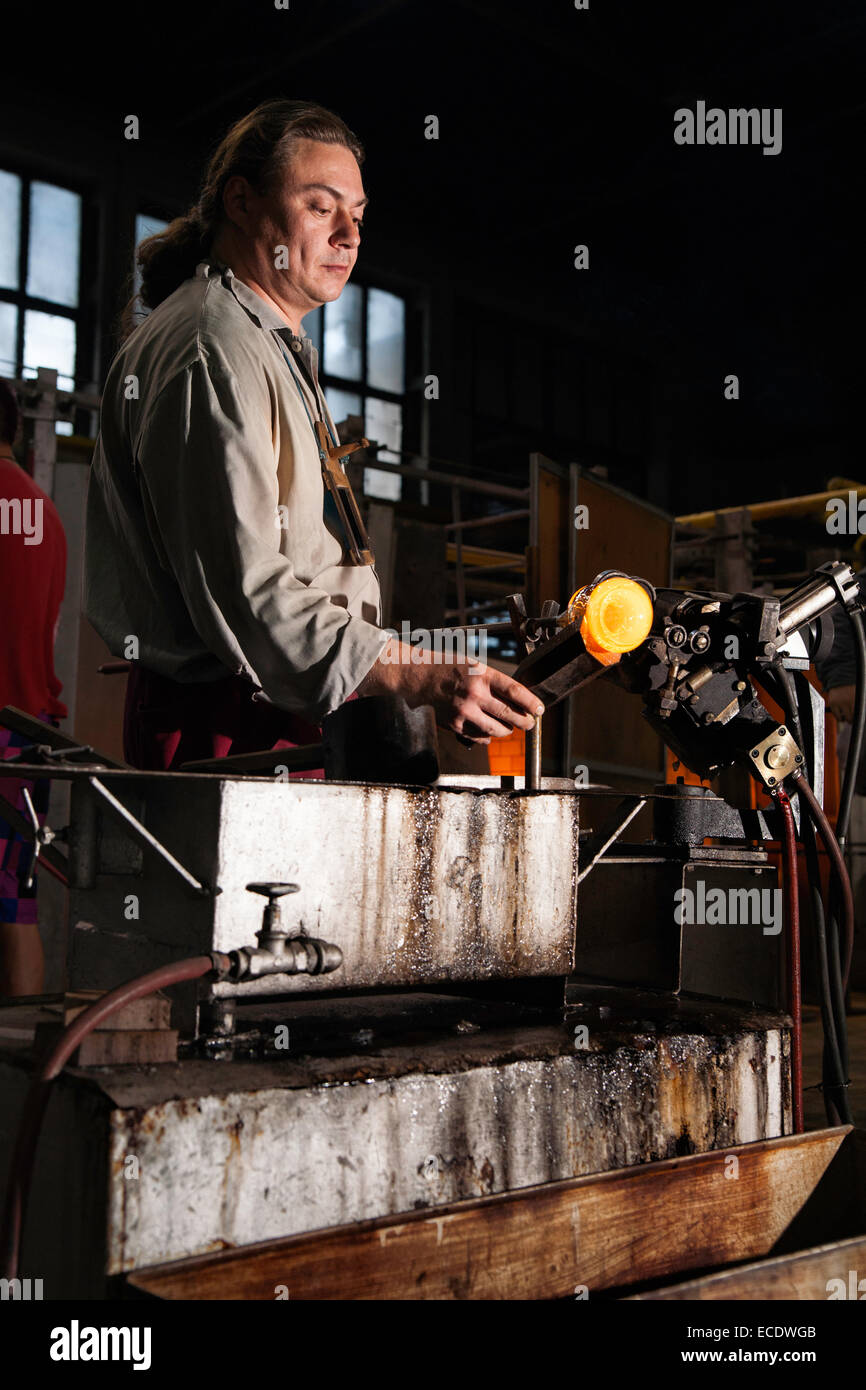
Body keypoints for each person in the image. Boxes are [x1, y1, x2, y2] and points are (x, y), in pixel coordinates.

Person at [85, 99, 540, 770]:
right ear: (241, 202)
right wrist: (423, 675)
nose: (350, 237)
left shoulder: (267, 338)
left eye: (357, 215)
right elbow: (249, 590)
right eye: (321, 207)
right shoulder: (211, 349)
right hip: (224, 717)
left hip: (289, 701)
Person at [0, 379, 67, 994]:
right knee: (15, 905)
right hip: (29, 736)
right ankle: (21, 1072)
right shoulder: (39, 508)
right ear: (16, 432)